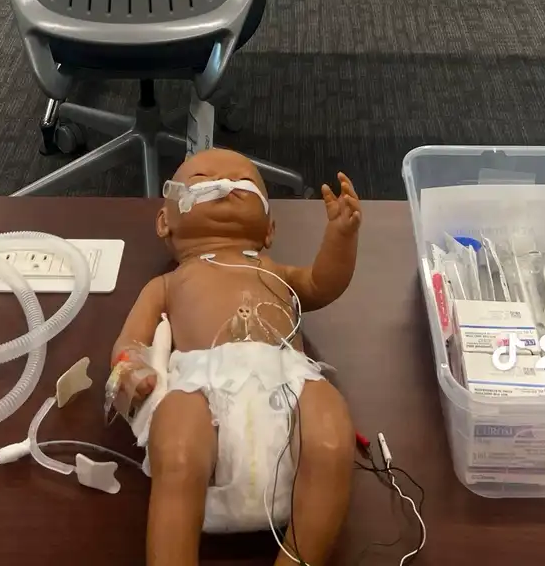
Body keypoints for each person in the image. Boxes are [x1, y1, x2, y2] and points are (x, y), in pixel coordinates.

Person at [108, 148, 361, 566]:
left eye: (243, 183)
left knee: (331, 426)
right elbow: (128, 343)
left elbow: (321, 284)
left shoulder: (277, 274)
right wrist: (130, 375)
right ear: (165, 222)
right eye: (205, 178)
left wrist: (341, 238)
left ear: (268, 231)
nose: (226, 183)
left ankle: (299, 557)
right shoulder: (168, 283)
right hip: (202, 389)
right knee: (179, 435)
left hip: (287, 380)